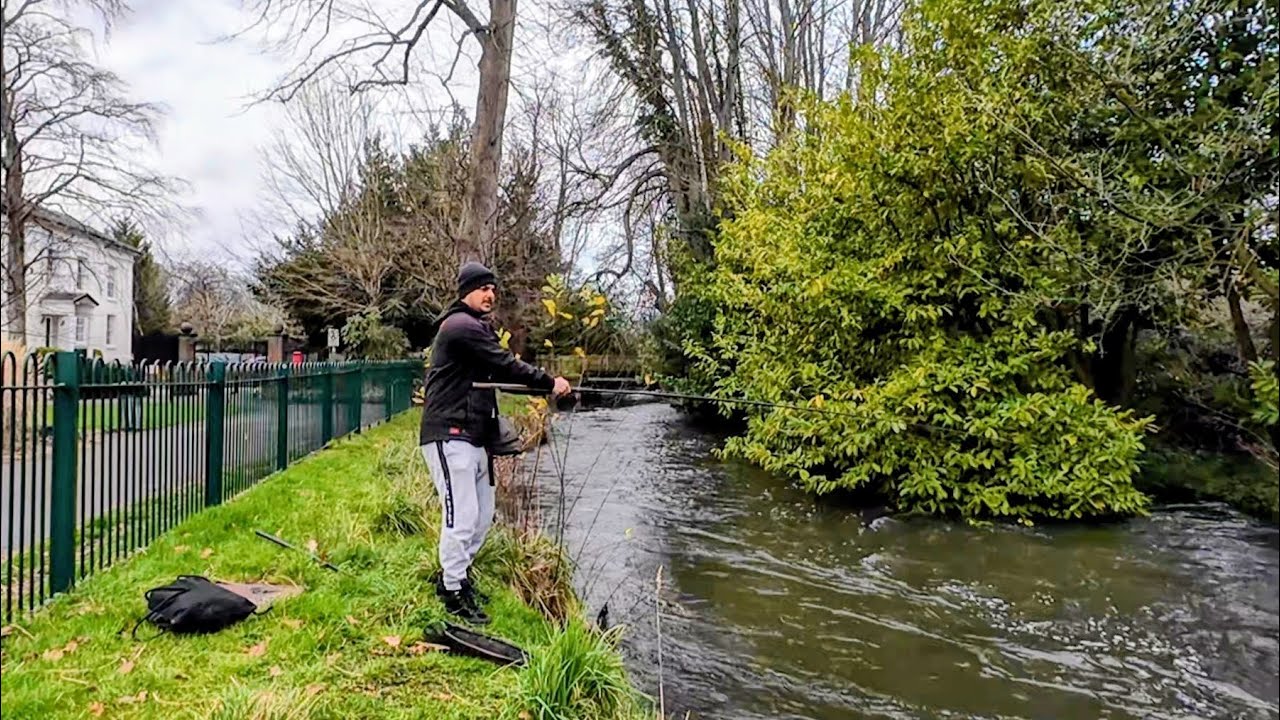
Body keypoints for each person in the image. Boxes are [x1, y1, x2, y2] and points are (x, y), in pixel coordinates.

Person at [419, 261, 571, 624]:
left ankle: (459, 577)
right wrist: (552, 383)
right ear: (465, 291)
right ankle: (452, 590)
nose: (490, 294)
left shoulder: (477, 329)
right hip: (449, 435)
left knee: (483, 517)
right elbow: (506, 364)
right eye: (482, 288)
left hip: (476, 438)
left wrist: (548, 388)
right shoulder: (460, 327)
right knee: (462, 517)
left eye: (493, 289)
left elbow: (502, 377)